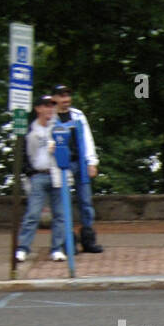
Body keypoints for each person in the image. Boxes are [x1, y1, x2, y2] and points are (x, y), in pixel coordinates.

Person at [15, 96, 68, 264]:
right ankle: (23, 248)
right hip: (38, 174)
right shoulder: (30, 130)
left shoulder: (59, 128)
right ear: (38, 109)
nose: (50, 109)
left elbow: (70, 150)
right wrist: (29, 172)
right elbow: (22, 154)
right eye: (46, 106)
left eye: (52, 106)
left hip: (56, 174)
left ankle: (57, 249)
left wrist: (59, 151)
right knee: (33, 213)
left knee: (60, 214)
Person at [50, 85, 103, 253]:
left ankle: (88, 240)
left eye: (67, 95)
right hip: (61, 166)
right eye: (61, 96)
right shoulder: (50, 117)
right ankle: (69, 242)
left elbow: (87, 138)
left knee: (86, 202)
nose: (66, 99)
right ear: (54, 99)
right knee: (64, 204)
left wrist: (91, 161)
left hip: (80, 163)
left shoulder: (78, 115)